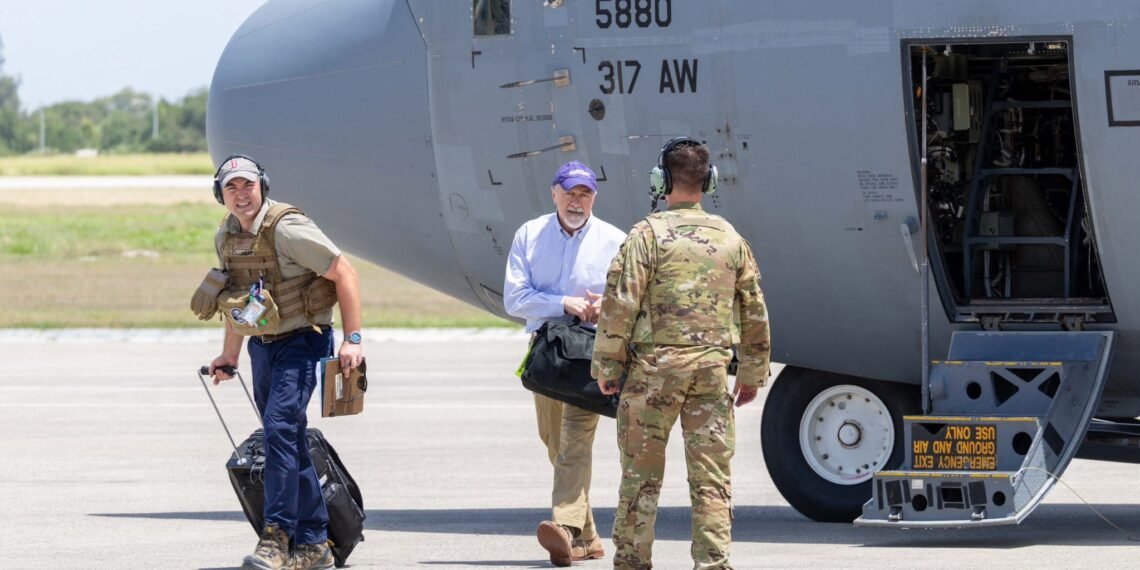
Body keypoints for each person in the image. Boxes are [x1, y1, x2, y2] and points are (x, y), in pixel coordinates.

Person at [591, 138, 771, 570]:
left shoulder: (647, 235)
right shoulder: (731, 239)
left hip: (654, 371)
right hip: (710, 369)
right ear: (708, 180)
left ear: (662, 180)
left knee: (641, 476)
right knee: (711, 478)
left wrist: (607, 365)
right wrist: (751, 374)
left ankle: (633, 562)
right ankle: (713, 562)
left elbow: (620, 304)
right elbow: (754, 311)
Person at [191, 155, 364, 570]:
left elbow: (346, 274)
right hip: (263, 346)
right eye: (231, 188)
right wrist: (229, 355)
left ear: (262, 186)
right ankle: (315, 545)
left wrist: (354, 340)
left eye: (247, 185)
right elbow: (237, 298)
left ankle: (277, 536)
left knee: (280, 429)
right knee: (284, 436)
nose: (241, 194)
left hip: (305, 340)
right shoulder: (228, 236)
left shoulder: (287, 228)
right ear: (221, 195)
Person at [503, 161, 627, 567]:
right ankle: (588, 538)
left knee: (575, 442)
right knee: (554, 444)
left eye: (585, 193)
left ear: (595, 197)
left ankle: (565, 527)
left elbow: (631, 301)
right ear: (554, 193)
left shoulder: (614, 240)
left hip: (591, 355)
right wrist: (563, 303)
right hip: (547, 355)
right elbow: (515, 299)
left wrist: (601, 306)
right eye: (570, 192)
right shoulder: (530, 234)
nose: (577, 201)